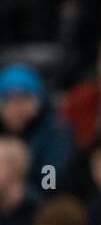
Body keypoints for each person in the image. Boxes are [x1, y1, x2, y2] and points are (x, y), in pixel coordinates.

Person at [0, 62, 75, 193]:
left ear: (40, 100)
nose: (17, 107)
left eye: (24, 98)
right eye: (8, 99)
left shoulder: (56, 135)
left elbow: (50, 184)